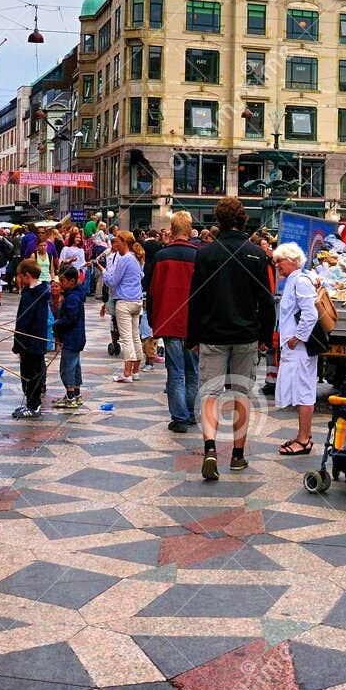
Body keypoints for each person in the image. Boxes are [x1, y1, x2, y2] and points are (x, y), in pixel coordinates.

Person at [187, 196, 276, 481]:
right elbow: (266, 299)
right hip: (246, 334)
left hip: (212, 332)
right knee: (242, 393)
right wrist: (266, 336)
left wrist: (192, 336)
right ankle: (237, 455)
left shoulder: (206, 253)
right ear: (243, 220)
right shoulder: (256, 253)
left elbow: (195, 299)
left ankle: (211, 448)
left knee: (210, 393)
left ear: (219, 220)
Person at [146, 211, 200, 433]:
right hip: (193, 322)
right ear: (189, 230)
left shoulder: (162, 256)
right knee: (192, 371)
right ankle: (190, 412)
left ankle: (179, 418)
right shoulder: (199, 255)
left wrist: (153, 318)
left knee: (175, 371)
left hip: (169, 321)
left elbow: (151, 290)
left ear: (172, 229)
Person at [273, 241, 319, 456]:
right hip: (296, 347)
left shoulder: (300, 281)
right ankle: (303, 435)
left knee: (304, 391)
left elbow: (311, 313)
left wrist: (297, 338)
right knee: (302, 389)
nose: (276, 265)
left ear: (291, 261)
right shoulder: (296, 279)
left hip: (300, 348)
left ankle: (303, 439)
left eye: (279, 261)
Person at [12, 258, 51, 418]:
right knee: (36, 371)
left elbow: (23, 321)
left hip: (29, 342)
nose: (18, 280)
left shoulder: (30, 295)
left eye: (20, 276)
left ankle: (33, 405)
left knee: (29, 374)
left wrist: (18, 344)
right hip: (38, 341)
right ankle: (31, 403)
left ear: (26, 275)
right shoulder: (42, 291)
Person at [104, 231, 145, 384]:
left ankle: (127, 373)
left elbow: (113, 281)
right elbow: (140, 276)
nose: (116, 245)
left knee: (127, 338)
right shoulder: (136, 257)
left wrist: (105, 272)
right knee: (136, 337)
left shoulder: (124, 259)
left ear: (124, 242)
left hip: (124, 301)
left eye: (118, 242)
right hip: (137, 301)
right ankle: (135, 372)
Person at [51, 261, 87, 409]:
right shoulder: (74, 295)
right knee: (75, 365)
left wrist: (57, 324)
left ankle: (70, 396)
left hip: (71, 338)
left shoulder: (72, 298)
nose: (61, 284)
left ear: (72, 281)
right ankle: (76, 394)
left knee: (67, 367)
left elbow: (70, 318)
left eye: (63, 281)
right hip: (76, 338)